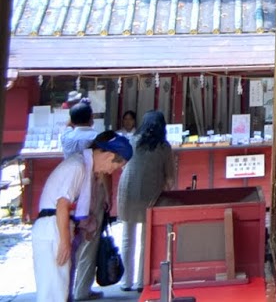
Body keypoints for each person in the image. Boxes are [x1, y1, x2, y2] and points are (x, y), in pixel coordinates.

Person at [32, 132, 130, 302]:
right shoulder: (77, 167)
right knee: (53, 292)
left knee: (59, 289)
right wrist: (64, 242)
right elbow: (62, 204)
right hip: (52, 228)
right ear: (109, 155)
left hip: (55, 227)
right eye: (113, 167)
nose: (109, 171)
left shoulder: (82, 165)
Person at [118, 112, 177, 292]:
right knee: (146, 239)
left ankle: (126, 281)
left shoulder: (132, 141)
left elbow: (121, 163)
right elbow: (170, 178)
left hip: (127, 191)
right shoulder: (163, 147)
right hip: (151, 194)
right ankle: (141, 281)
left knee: (127, 237)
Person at [58, 103, 105, 301]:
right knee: (89, 240)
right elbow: (103, 170)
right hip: (92, 189)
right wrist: (107, 195)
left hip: (70, 190)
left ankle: (65, 290)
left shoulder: (66, 137)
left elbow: (68, 126)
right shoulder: (96, 137)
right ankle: (82, 288)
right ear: (91, 118)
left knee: (70, 239)